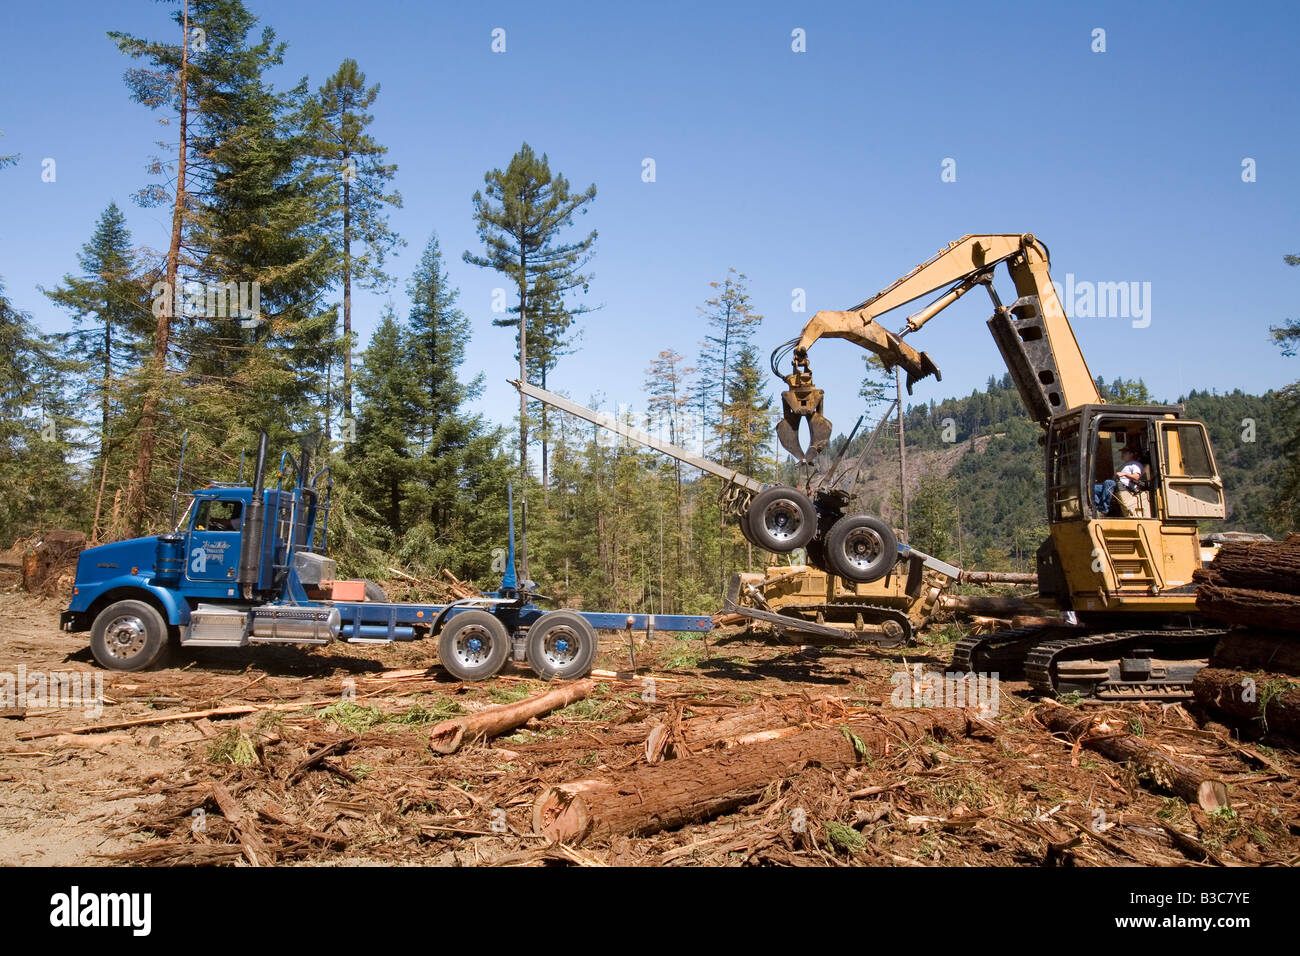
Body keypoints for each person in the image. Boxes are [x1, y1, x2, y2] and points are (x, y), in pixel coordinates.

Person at [1094, 445, 1144, 515]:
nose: (1122, 454)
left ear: (1131, 454)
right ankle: (1097, 508)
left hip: (1125, 487)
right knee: (1092, 488)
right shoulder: (1125, 465)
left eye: (1124, 452)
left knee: (1108, 482)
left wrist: (1124, 474)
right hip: (1115, 485)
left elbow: (1136, 477)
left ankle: (1103, 509)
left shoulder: (1135, 464)